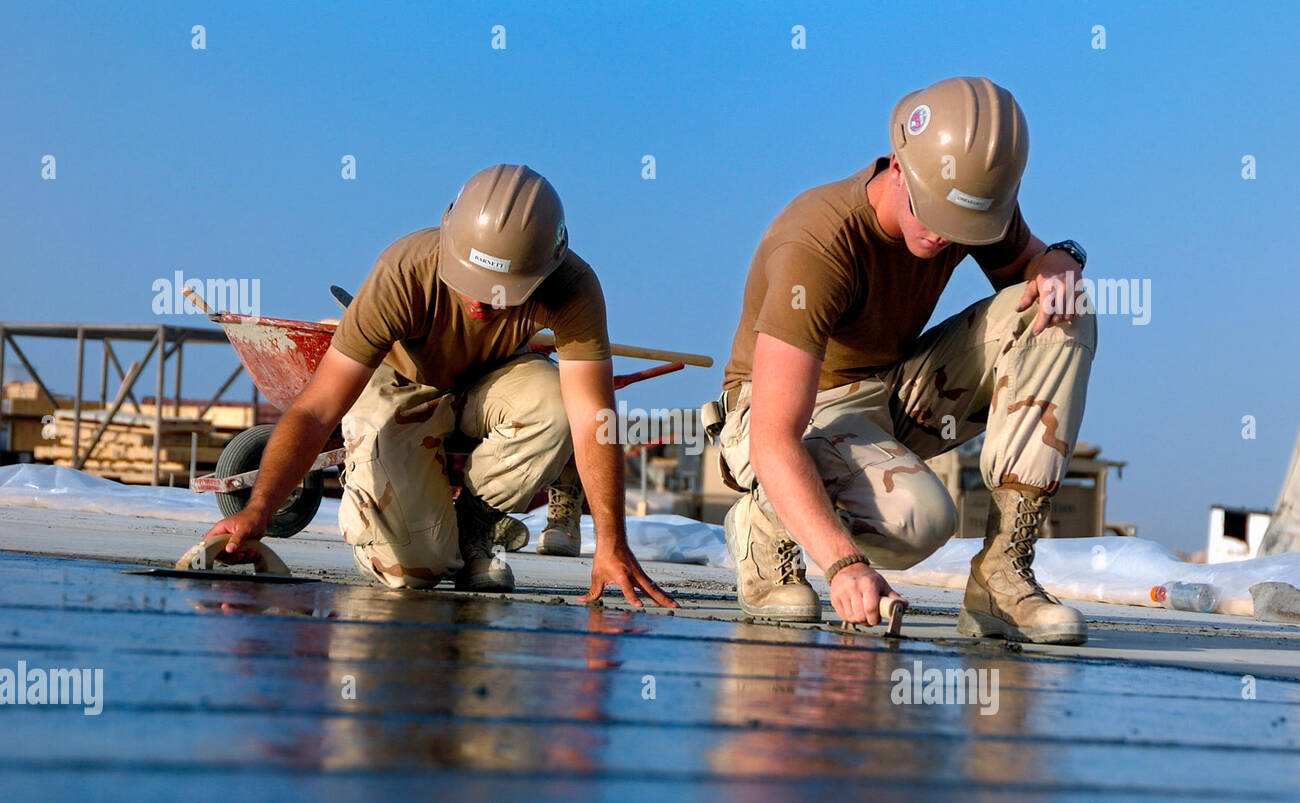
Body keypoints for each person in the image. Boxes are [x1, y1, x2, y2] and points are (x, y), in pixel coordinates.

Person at [715, 77, 1095, 644]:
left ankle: (1002, 577)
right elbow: (774, 434)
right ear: (898, 164)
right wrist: (844, 566)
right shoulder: (816, 245)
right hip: (780, 415)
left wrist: (1062, 259)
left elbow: (1033, 274)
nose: (946, 237)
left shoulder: (969, 201)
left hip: (884, 395)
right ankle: (765, 528)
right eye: (935, 216)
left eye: (964, 226)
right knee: (922, 522)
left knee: (1061, 308)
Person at [205, 164, 676, 609]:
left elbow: (593, 418)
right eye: (470, 281)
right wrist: (261, 510)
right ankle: (420, 537)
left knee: (555, 403)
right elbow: (315, 410)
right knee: (416, 571)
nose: (480, 302)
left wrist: (611, 543)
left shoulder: (572, 288)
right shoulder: (404, 271)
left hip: (488, 385)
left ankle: (475, 532)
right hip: (404, 384)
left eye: (502, 291)